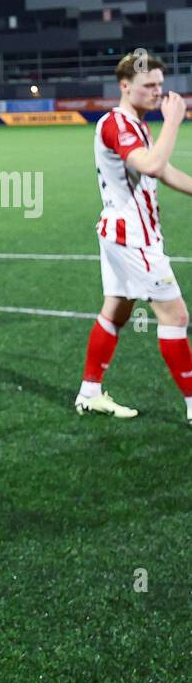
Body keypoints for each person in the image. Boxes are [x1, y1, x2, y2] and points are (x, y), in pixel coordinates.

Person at [74, 51, 192, 424]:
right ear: (126, 86)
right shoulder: (118, 124)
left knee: (117, 310)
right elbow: (153, 165)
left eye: (160, 84)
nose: (158, 92)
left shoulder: (136, 124)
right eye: (149, 86)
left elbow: (163, 169)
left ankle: (89, 393)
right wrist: (174, 120)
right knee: (175, 316)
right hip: (133, 239)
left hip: (121, 234)